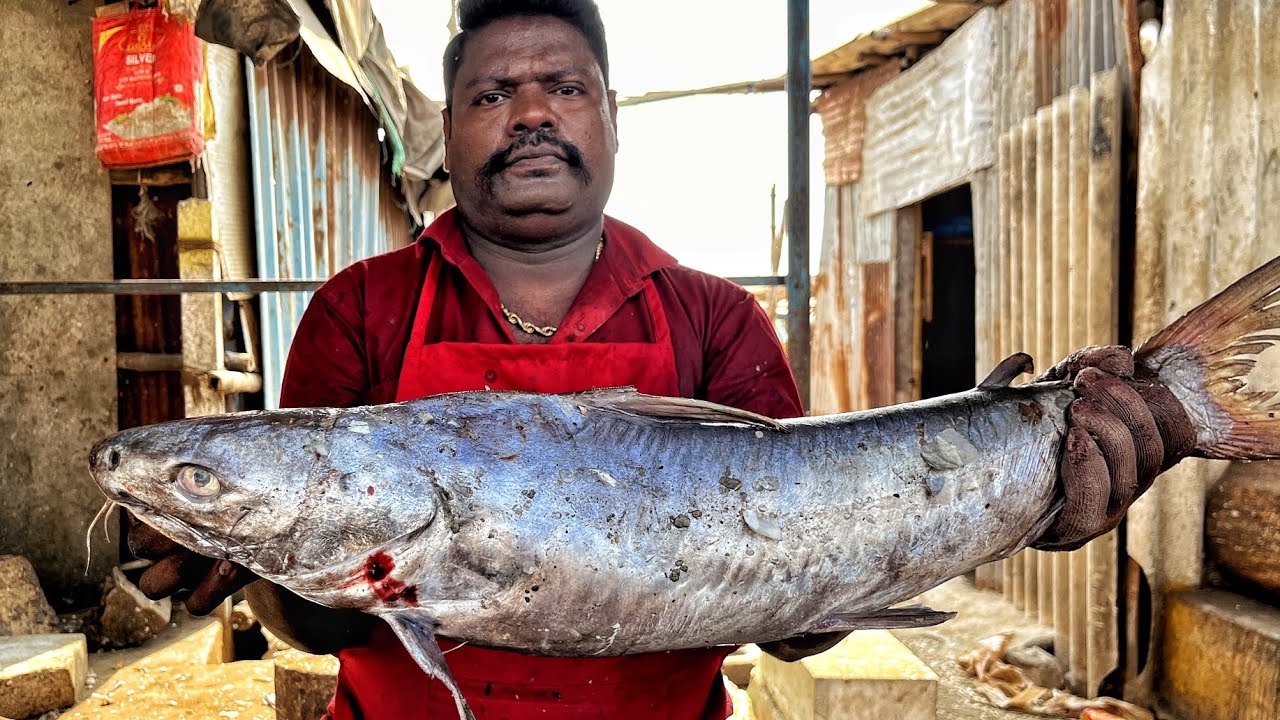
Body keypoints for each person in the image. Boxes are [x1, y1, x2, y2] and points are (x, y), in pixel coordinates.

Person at [127, 0, 1195, 717]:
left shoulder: (714, 319)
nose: (531, 111)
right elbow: (310, 620)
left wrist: (1027, 493)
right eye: (492, 94)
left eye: (564, 86)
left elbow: (797, 631)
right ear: (443, 132)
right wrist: (252, 570)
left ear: (612, 120)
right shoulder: (358, 309)